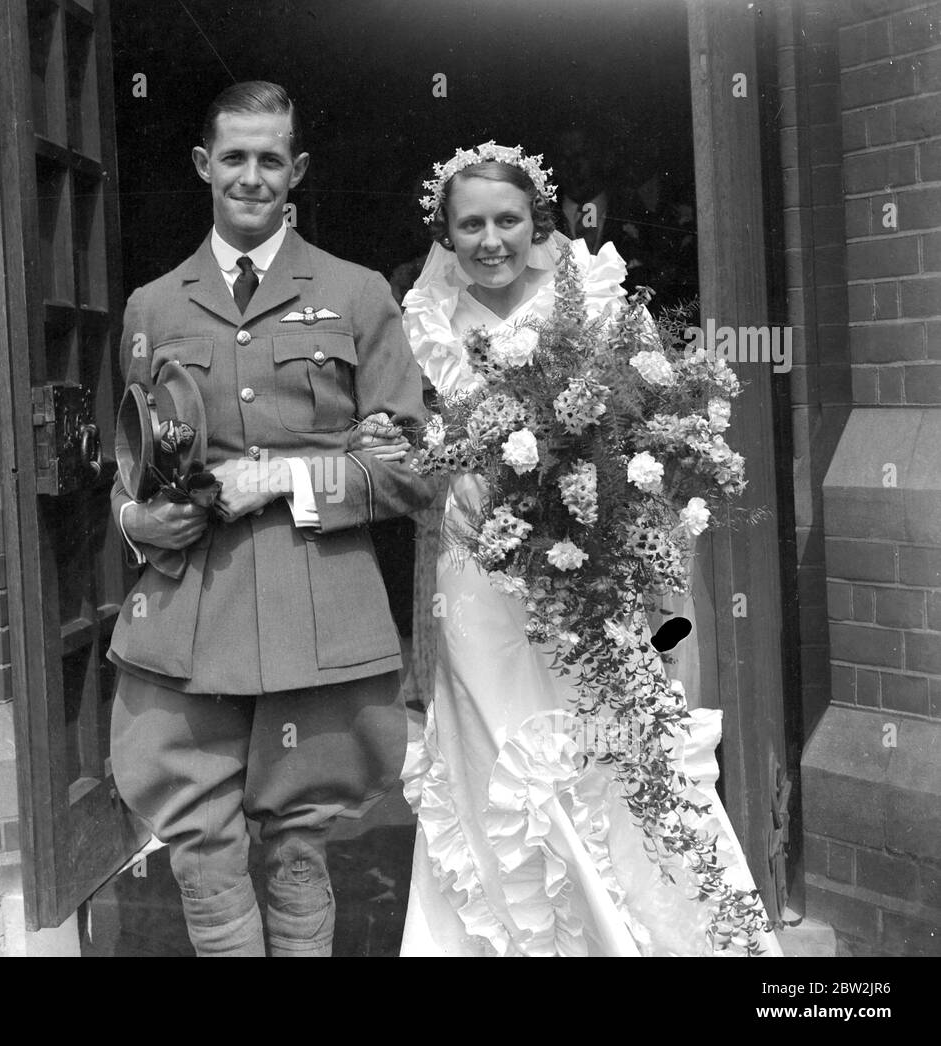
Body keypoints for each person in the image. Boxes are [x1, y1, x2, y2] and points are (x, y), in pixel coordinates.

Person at [395, 143, 782, 956]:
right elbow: (411, 443)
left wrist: (610, 510)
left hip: (587, 567)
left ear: (536, 218)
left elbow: (648, 419)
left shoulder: (598, 298)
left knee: (603, 737)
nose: (491, 239)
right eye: (471, 224)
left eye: (507, 219)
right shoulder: (425, 321)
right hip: (477, 569)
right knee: (495, 740)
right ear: (446, 230)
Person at [106, 81, 434, 957]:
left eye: (271, 160)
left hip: (315, 609)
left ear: (298, 170)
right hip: (188, 611)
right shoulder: (153, 306)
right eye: (235, 158)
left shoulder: (357, 294)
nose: (252, 177)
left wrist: (283, 479)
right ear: (203, 166)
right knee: (200, 850)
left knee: (298, 846)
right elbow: (126, 457)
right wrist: (138, 521)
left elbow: (412, 472)